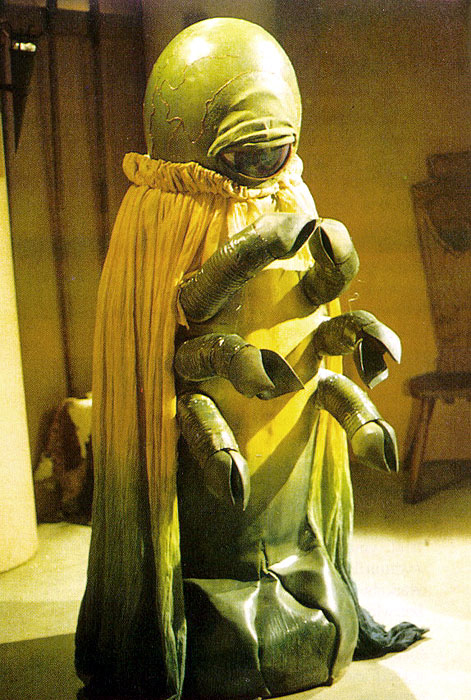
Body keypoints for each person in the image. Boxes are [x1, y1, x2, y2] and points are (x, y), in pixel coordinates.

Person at [76, 18, 425, 700]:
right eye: (248, 150)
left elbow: (314, 309)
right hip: (210, 433)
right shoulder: (164, 211)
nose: (265, 159)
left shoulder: (290, 195)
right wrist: (251, 255)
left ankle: (307, 598)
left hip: (288, 425)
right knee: (205, 474)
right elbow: (174, 326)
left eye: (277, 146)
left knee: (300, 438)